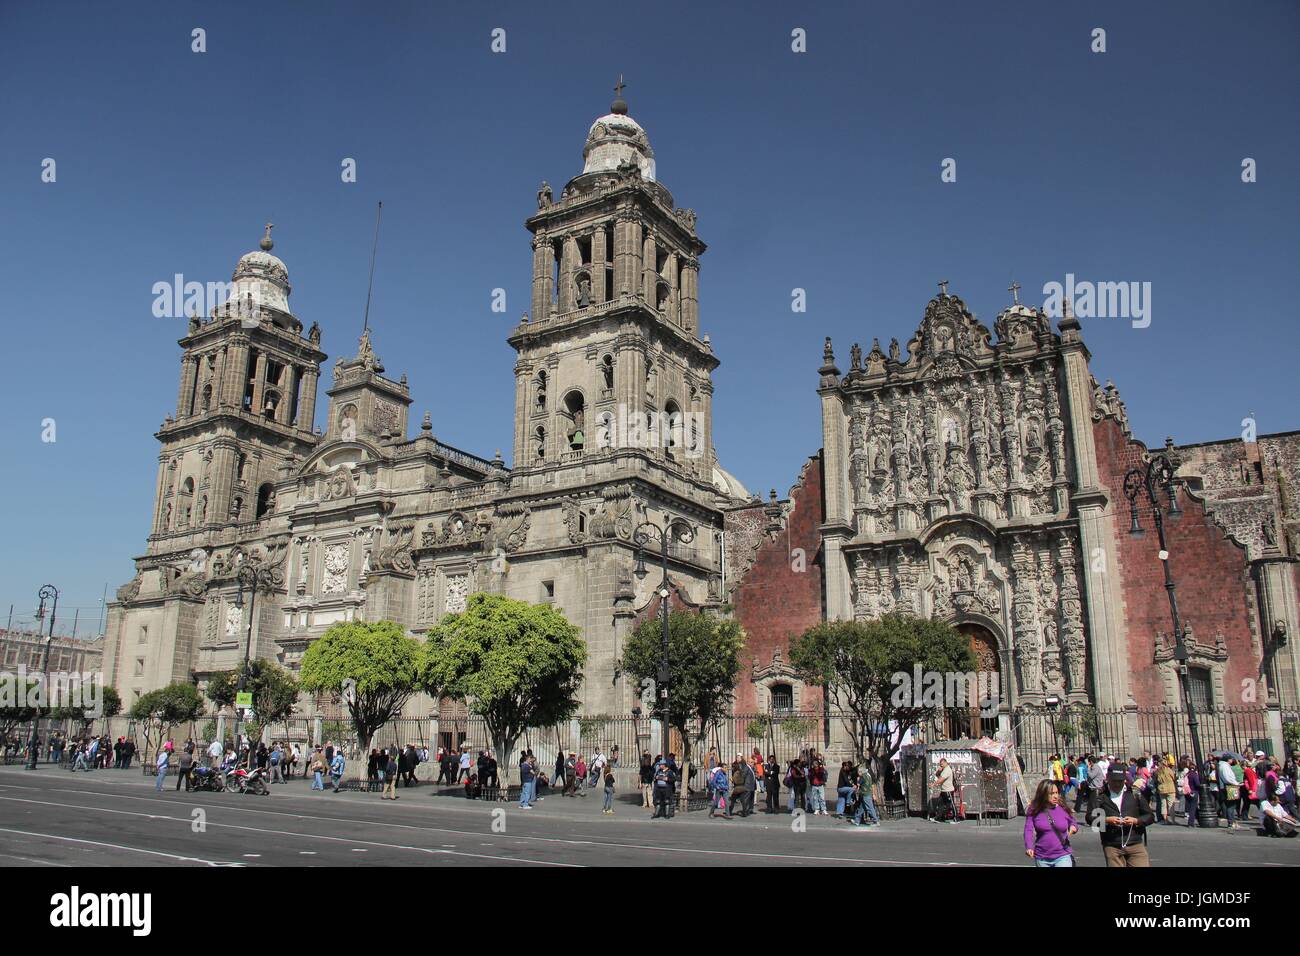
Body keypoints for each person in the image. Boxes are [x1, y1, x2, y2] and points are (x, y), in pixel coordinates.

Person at [1089, 766, 1154, 867]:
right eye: (1114, 780)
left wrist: (1136, 821)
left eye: (1120, 781)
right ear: (1107, 778)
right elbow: (1090, 819)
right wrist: (1106, 820)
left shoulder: (1134, 792)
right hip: (1112, 844)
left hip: (1135, 842)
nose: (1117, 784)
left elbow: (1149, 816)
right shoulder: (1099, 794)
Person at [1024, 780, 1078, 867]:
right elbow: (1028, 829)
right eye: (1051, 793)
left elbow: (1073, 821)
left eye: (1056, 793)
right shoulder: (1034, 809)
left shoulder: (1062, 807)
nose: (1056, 796)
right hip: (1042, 857)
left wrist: (1073, 827)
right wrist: (1029, 846)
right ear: (1043, 794)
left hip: (1062, 855)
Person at [930, 757, 957, 823]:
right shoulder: (943, 769)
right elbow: (937, 775)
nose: (941, 765)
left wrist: (933, 784)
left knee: (950, 804)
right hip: (943, 790)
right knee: (940, 805)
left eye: (942, 764)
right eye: (940, 764)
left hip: (948, 790)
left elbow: (941, 779)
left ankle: (956, 818)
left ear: (945, 762)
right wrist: (939, 770)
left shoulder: (947, 770)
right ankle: (938, 818)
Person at [1154, 757, 1176, 823]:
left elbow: (1155, 779)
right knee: (1171, 805)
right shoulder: (1168, 769)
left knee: (1163, 805)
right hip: (1170, 788)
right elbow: (1173, 777)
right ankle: (1173, 820)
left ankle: (1165, 819)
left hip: (1161, 788)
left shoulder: (1157, 771)